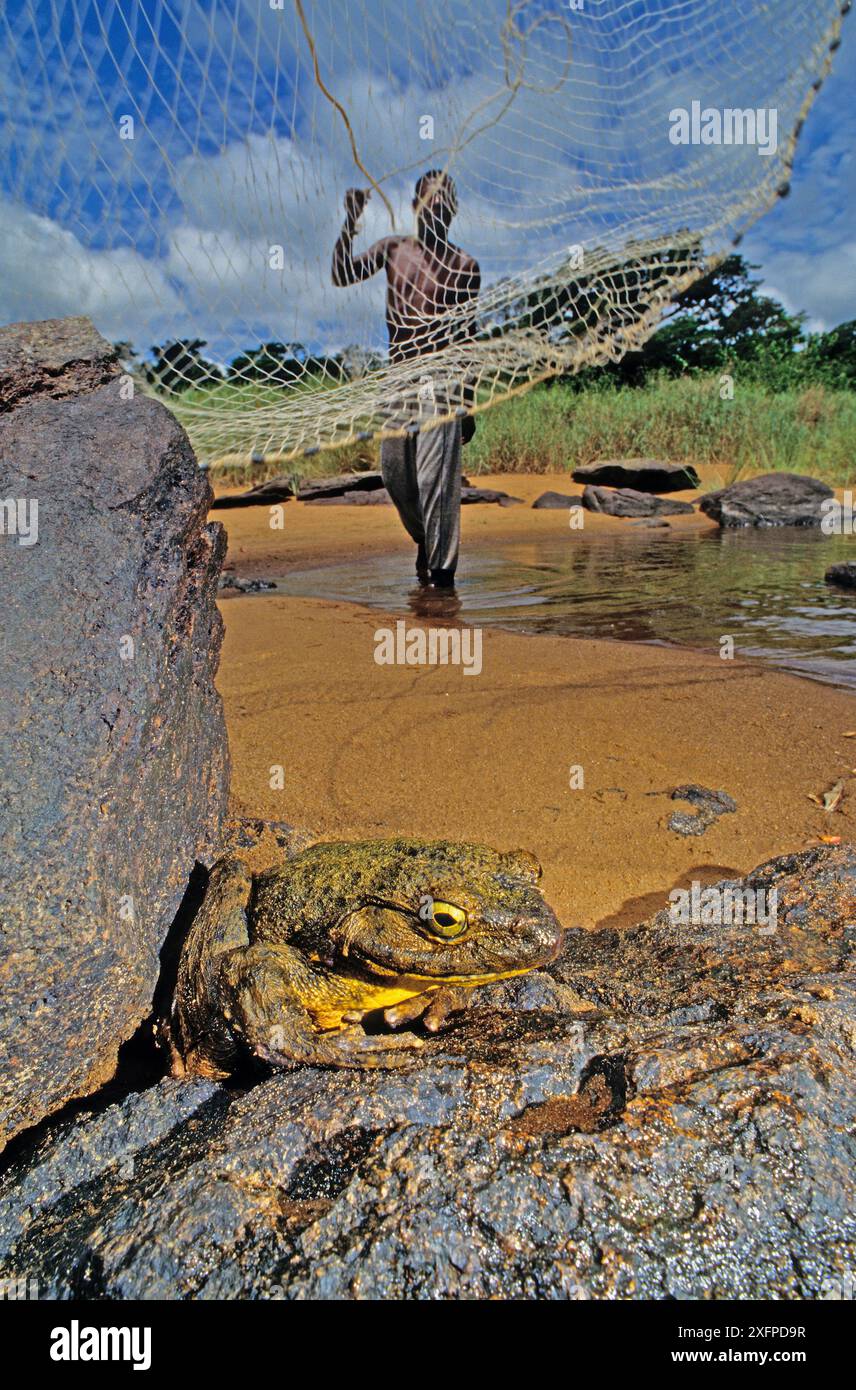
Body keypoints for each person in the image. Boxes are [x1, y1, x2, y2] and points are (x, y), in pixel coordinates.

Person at [332, 171, 480, 587]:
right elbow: (342, 273)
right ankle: (424, 540)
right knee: (394, 474)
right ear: (415, 206)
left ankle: (441, 577)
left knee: (437, 480)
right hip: (399, 379)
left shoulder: (465, 266)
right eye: (428, 198)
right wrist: (350, 222)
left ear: (452, 210)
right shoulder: (394, 249)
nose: (435, 205)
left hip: (443, 382)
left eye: (443, 199)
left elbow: (468, 338)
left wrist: (467, 403)